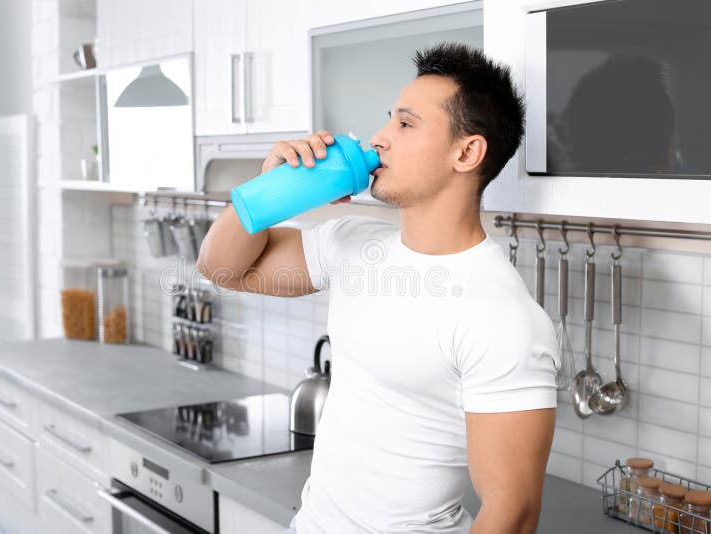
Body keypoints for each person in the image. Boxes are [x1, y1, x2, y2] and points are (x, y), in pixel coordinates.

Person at [196, 42, 559, 534]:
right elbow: (220, 268)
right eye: (389, 119)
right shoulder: (353, 244)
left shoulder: (501, 315)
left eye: (405, 124)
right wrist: (267, 189)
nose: (379, 138)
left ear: (467, 151)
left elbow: (512, 513)